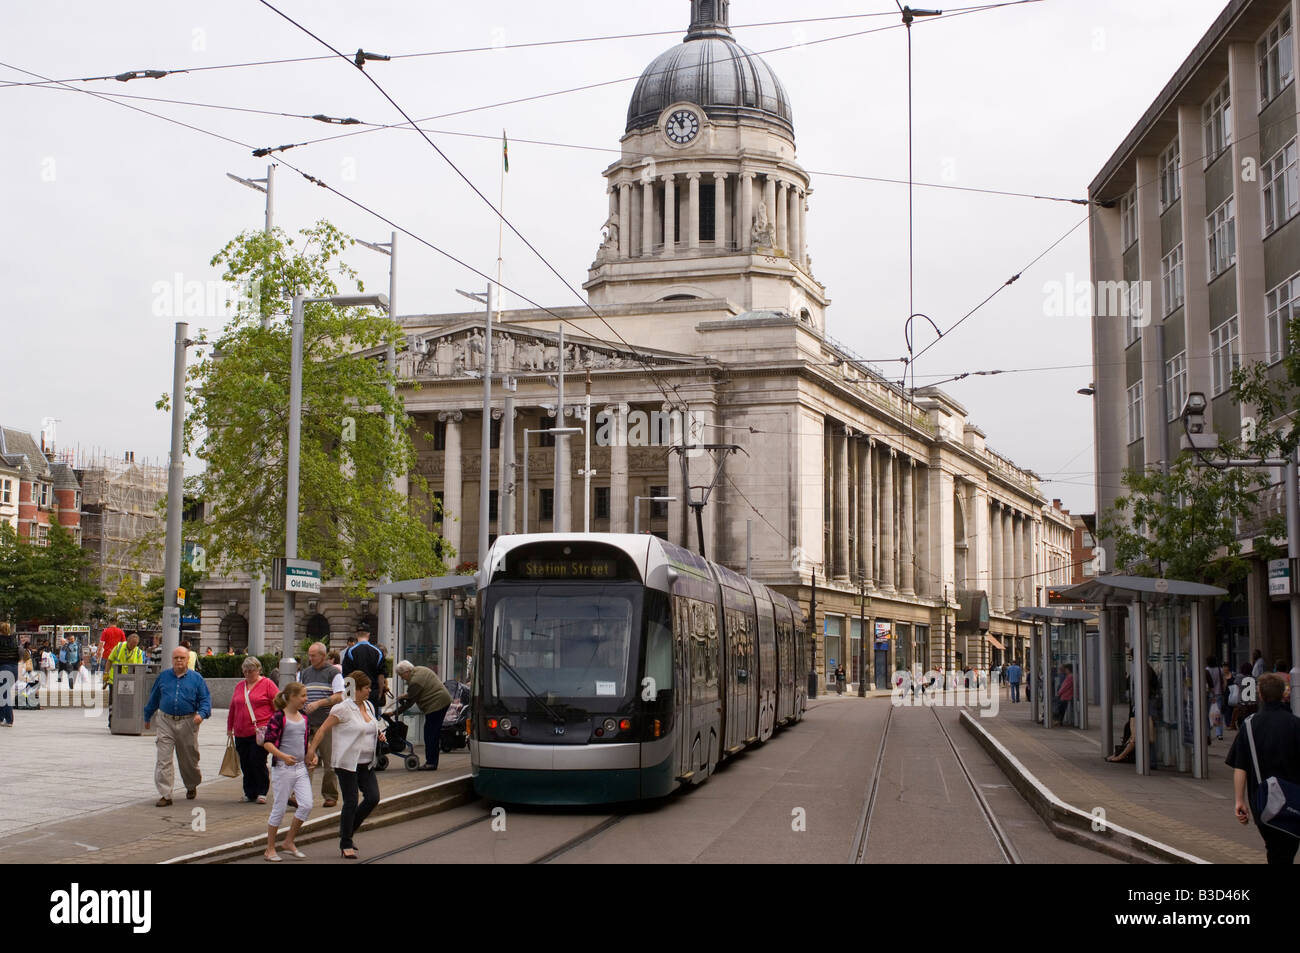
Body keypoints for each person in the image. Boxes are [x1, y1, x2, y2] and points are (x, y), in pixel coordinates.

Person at [308, 670, 384, 859]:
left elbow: (372, 726)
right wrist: (311, 751)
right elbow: (323, 730)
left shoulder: (369, 705)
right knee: (351, 801)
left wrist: (379, 734)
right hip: (347, 762)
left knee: (373, 798)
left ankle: (346, 831)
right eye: (366, 688)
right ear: (356, 689)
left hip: (366, 762)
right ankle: (346, 843)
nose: (369, 691)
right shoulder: (342, 708)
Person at [1225, 673, 1300, 865]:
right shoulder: (1295, 724)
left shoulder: (1249, 725)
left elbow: (1240, 767)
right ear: (1284, 694)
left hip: (1264, 803)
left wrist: (1239, 801)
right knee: (1287, 851)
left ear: (1260, 694)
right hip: (1295, 802)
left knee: (1275, 850)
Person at [142, 646, 212, 806]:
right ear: (172, 660)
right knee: (163, 759)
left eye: (182, 658)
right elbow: (154, 697)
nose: (179, 661)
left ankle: (191, 784)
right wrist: (147, 715)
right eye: (176, 658)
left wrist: (201, 714)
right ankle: (166, 794)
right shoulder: (164, 676)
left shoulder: (196, 678)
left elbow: (205, 700)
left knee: (189, 759)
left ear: (188, 660)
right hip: (165, 720)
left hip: (188, 721)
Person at [261, 681, 313, 861]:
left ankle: (288, 841)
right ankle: (270, 849)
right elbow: (267, 742)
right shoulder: (278, 717)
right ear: (291, 697)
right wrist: (282, 756)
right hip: (283, 768)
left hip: (300, 768)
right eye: (303, 696)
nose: (305, 700)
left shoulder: (304, 717)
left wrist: (309, 755)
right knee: (280, 807)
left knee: (306, 804)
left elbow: (304, 740)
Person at [298, 641, 345, 808]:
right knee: (307, 760)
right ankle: (302, 797)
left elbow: (339, 696)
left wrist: (319, 703)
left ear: (323, 656)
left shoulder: (333, 673)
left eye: (313, 655)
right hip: (307, 723)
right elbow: (299, 693)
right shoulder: (304, 673)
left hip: (326, 723)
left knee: (329, 762)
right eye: (309, 655)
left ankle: (330, 795)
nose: (310, 658)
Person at [227, 656, 278, 803]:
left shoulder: (267, 684)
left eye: (251, 671)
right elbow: (233, 708)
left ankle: (262, 791)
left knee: (257, 760)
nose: (248, 674)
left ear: (258, 670)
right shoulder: (239, 686)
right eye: (245, 671)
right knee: (245, 762)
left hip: (260, 731)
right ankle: (249, 792)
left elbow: (278, 705)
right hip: (240, 731)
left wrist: (274, 726)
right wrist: (229, 727)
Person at [395, 660, 451, 770]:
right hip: (443, 700)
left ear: (406, 671)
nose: (402, 678)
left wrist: (394, 712)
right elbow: (416, 692)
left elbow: (410, 701)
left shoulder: (415, 681)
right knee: (433, 732)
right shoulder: (420, 669)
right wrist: (406, 695)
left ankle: (431, 763)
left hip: (436, 704)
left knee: (430, 733)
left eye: (401, 675)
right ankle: (432, 761)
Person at [103, 632, 145, 730]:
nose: (133, 647)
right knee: (113, 701)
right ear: (128, 641)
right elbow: (109, 660)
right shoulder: (119, 647)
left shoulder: (138, 652)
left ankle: (123, 720)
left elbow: (139, 668)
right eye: (132, 644)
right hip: (115, 679)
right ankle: (112, 721)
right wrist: (106, 674)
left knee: (126, 702)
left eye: (135, 645)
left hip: (130, 681)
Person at [342, 625, 387, 711]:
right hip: (372, 692)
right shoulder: (378, 652)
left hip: (355, 693)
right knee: (372, 719)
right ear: (368, 634)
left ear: (356, 635)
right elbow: (381, 675)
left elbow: (347, 675)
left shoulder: (350, 651)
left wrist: (349, 695)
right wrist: (380, 693)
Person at [0, 622, 19, 727]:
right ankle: (1, 717)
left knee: (4, 694)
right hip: (14, 668)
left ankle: (9, 720)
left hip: (3, 668)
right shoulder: (14, 640)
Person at [1206, 655, 1225, 742]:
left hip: (1209, 695)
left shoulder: (1206, 670)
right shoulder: (1220, 669)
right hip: (1218, 693)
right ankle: (1219, 733)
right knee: (1218, 714)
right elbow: (1223, 681)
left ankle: (1208, 732)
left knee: (1208, 714)